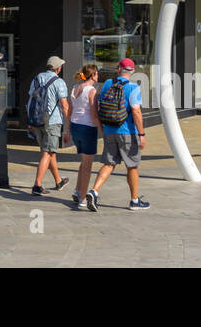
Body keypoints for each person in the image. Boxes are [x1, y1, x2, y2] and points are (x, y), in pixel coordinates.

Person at [86, 58, 150, 211]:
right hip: (127, 132)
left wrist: (103, 128)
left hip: (109, 130)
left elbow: (100, 105)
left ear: (118, 68)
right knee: (132, 166)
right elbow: (136, 111)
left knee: (109, 164)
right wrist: (141, 134)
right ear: (133, 71)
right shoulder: (133, 88)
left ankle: (94, 191)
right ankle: (134, 201)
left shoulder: (108, 83)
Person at [29, 55, 70, 195]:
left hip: (37, 120)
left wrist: (30, 121)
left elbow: (30, 100)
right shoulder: (59, 82)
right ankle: (37, 185)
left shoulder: (36, 78)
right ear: (58, 68)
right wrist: (69, 125)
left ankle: (58, 181)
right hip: (52, 121)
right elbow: (64, 106)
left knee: (49, 152)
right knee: (48, 152)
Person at [68, 63, 103, 209]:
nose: (98, 75)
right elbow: (94, 115)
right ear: (93, 75)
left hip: (75, 126)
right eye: (97, 73)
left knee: (83, 161)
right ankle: (82, 198)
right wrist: (102, 130)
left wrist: (67, 129)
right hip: (87, 127)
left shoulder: (75, 88)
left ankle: (77, 190)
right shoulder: (91, 90)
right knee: (88, 165)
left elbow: (70, 110)